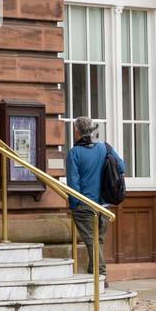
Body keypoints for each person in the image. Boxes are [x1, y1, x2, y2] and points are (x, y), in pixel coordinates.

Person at [64, 116, 124, 278]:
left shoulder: (74, 153)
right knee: (98, 242)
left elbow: (73, 183)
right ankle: (94, 274)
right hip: (104, 205)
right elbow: (122, 166)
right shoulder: (105, 147)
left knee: (91, 241)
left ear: (77, 131)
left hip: (84, 205)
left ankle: (100, 275)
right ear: (92, 130)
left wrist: (74, 204)